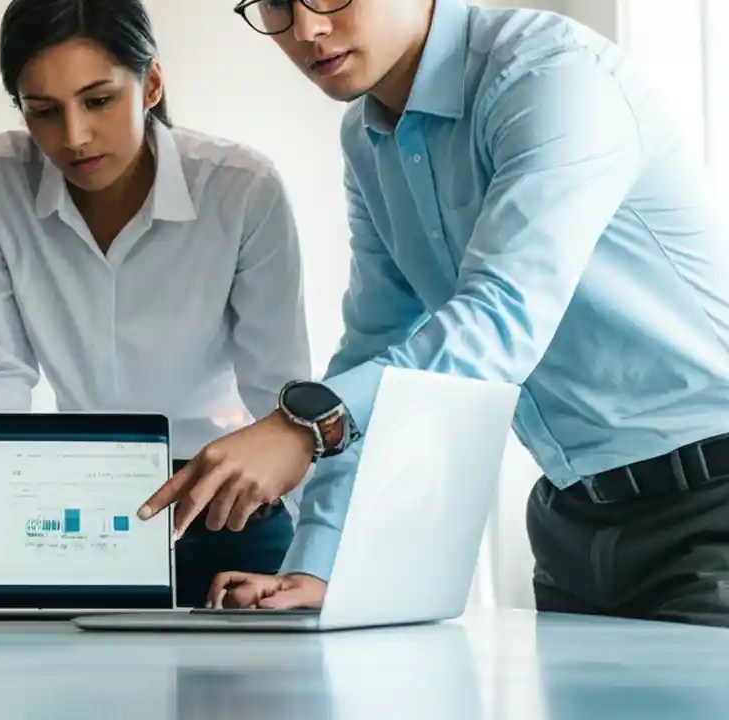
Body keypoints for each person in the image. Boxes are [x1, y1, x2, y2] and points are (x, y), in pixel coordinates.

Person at [139, 0, 729, 627]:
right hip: (569, 522)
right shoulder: (366, 139)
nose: (306, 29)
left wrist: (305, 424)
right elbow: (374, 344)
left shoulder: (552, 76)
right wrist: (317, 566)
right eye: (278, 5)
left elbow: (502, 318)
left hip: (712, 508)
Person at [0, 0, 310, 606]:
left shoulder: (242, 188)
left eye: (98, 100)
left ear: (151, 83)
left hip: (227, 502)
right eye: (42, 111)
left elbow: (280, 392)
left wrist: (312, 561)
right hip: (80, 504)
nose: (73, 137)